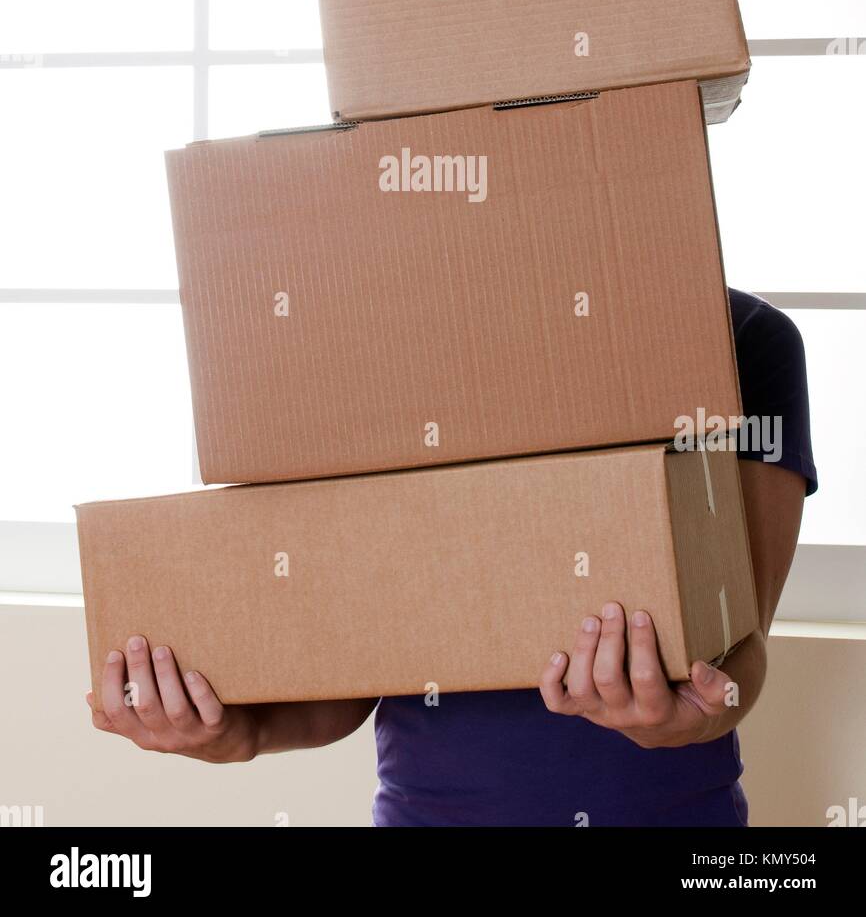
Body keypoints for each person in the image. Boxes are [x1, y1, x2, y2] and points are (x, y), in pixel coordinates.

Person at [87, 288, 816, 827]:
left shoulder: (745, 340)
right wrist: (240, 734)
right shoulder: (384, 354)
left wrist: (691, 717)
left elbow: (741, 652)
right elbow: (356, 674)